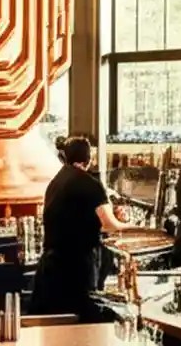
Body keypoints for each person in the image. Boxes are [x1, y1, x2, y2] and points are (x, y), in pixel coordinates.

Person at [31, 137, 132, 321]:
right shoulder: (89, 183)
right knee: (81, 324)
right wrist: (133, 228)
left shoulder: (56, 182)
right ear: (89, 158)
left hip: (50, 268)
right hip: (76, 269)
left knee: (57, 324)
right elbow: (108, 224)